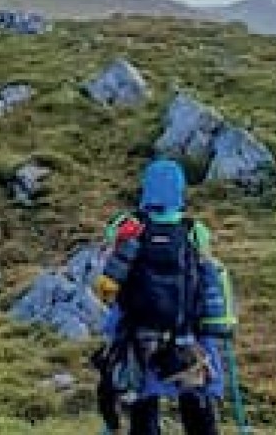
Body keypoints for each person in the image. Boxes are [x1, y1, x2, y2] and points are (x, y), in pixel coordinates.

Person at [91, 159, 237, 435]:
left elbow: (108, 276)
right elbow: (209, 273)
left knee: (142, 402)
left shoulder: (130, 228)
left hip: (139, 336)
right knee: (195, 397)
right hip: (187, 335)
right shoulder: (194, 231)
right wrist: (218, 323)